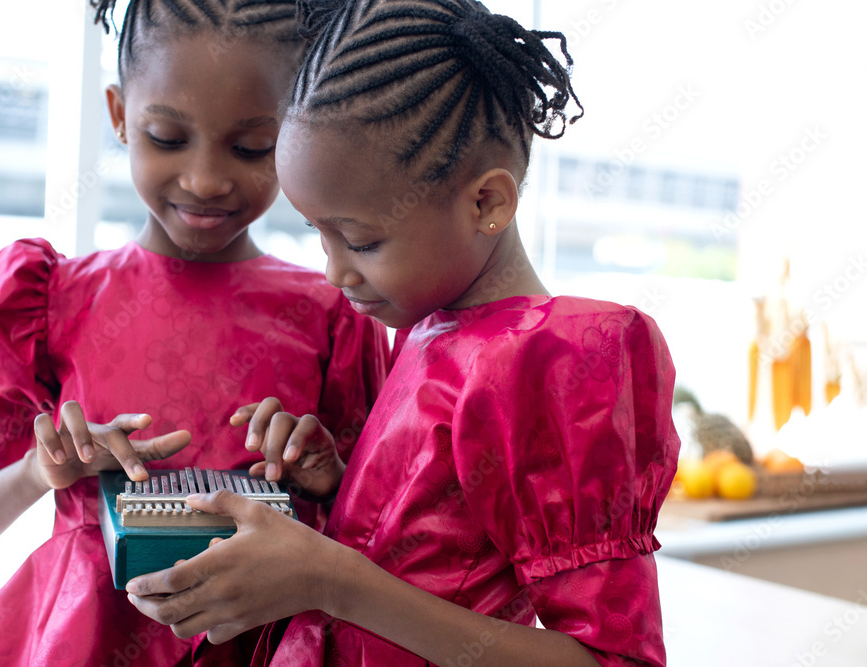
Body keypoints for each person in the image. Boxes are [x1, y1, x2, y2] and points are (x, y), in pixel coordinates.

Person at [125, 1, 680, 666]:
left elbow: (611, 659)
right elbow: (437, 553)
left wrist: (331, 579)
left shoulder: (553, 360)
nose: (334, 273)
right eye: (320, 234)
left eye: (361, 240)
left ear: (487, 201)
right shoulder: (427, 332)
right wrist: (336, 487)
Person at [0, 1, 389, 665]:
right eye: (168, 137)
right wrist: (39, 470)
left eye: (251, 147)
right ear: (118, 115)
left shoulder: (331, 314)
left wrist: (328, 482)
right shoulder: (47, 302)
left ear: (296, 136)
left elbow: (381, 550)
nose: (205, 180)